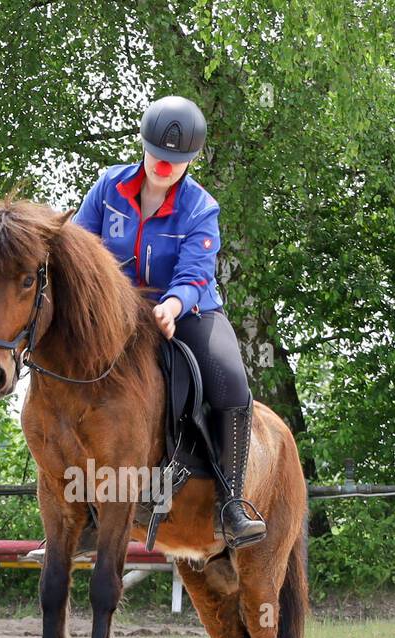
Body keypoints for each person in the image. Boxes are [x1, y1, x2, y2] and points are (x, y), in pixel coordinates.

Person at [72, 95, 267, 549]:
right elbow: (79, 249)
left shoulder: (202, 207)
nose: (165, 165)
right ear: (143, 147)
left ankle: (232, 504)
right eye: (159, 155)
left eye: (177, 160)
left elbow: (196, 274)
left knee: (233, 385)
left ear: (192, 159)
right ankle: (77, 513)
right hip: (114, 316)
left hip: (187, 312)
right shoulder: (107, 187)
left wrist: (172, 306)